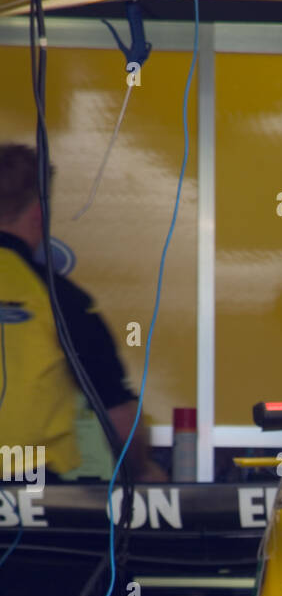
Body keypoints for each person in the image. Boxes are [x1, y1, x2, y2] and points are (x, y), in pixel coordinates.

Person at [0, 143, 163, 481]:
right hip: (35, 498)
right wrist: (142, 473)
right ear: (38, 216)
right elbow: (117, 411)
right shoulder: (61, 298)